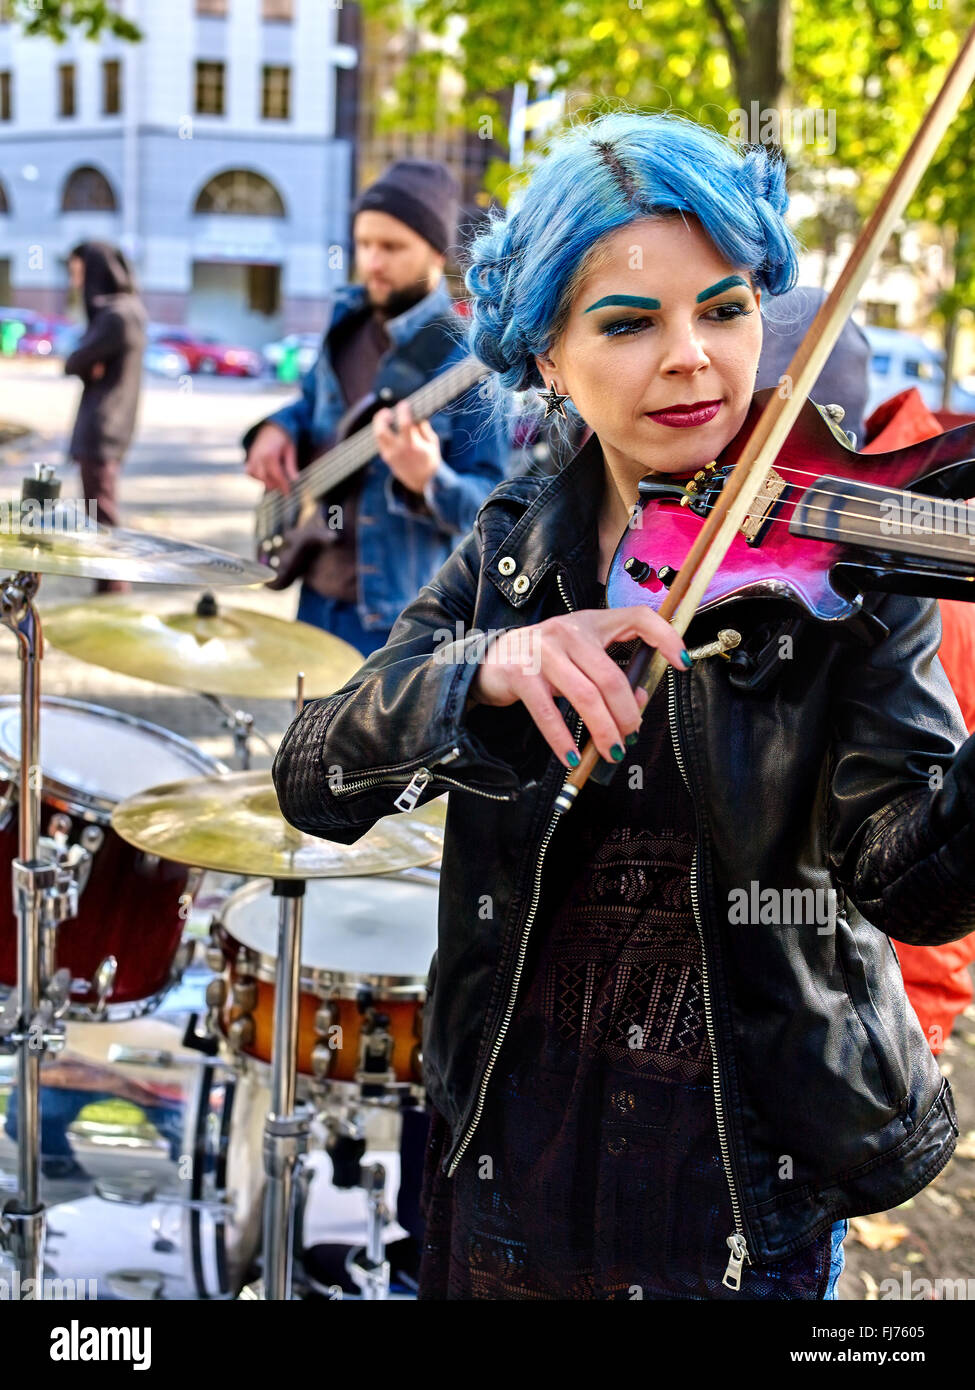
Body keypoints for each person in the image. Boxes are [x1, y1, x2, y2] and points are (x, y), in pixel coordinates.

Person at [270, 112, 975, 1300]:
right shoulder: (511, 550)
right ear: (546, 355)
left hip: (743, 1180)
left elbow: (906, 881)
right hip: (507, 1141)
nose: (694, 355)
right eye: (631, 322)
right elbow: (315, 776)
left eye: (728, 306)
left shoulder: (852, 563)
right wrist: (484, 672)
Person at [243, 159, 509, 656]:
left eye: (391, 247)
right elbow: (312, 406)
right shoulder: (344, 322)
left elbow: (494, 513)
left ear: (435, 252)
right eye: (364, 244)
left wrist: (429, 479)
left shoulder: (469, 360)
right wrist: (276, 428)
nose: (372, 263)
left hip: (398, 620)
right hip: (316, 595)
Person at [64, 241, 148, 595]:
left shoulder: (117, 316)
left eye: (78, 273)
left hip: (103, 428)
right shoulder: (128, 312)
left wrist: (84, 362)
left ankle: (113, 591)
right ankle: (106, 585)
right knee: (97, 512)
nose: (76, 283)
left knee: (101, 516)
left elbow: (75, 361)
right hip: (109, 427)